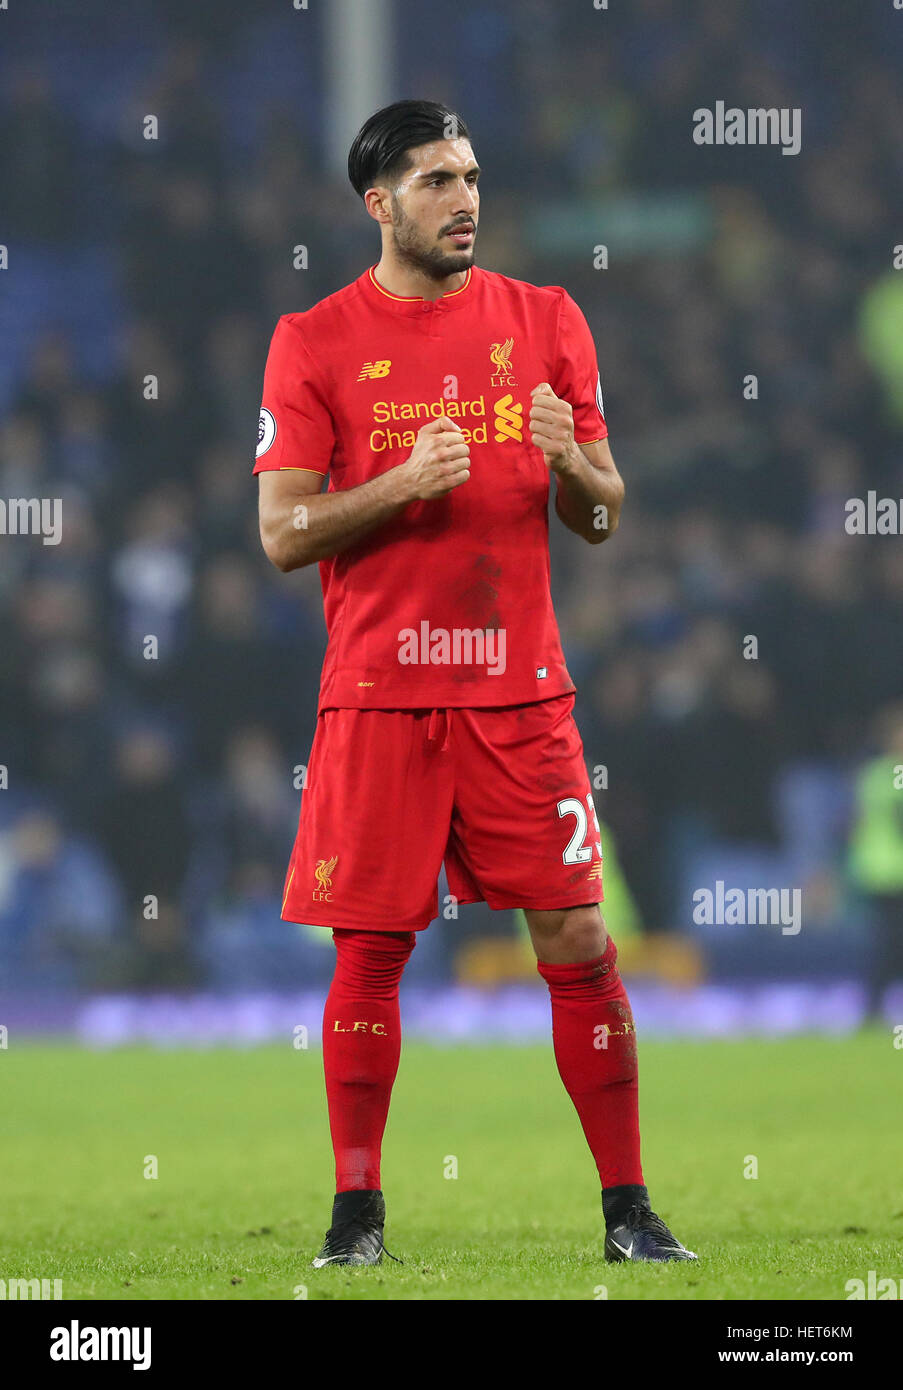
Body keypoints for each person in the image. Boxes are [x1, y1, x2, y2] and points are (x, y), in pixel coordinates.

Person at [254, 99, 695, 1267]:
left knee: (577, 934)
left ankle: (630, 1213)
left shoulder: (547, 319)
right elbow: (283, 535)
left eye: (472, 176)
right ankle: (356, 1220)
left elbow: (601, 518)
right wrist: (398, 483)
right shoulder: (312, 338)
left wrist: (574, 465)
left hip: (520, 694)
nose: (465, 199)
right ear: (379, 203)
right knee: (373, 945)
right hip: (380, 693)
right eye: (438, 180)